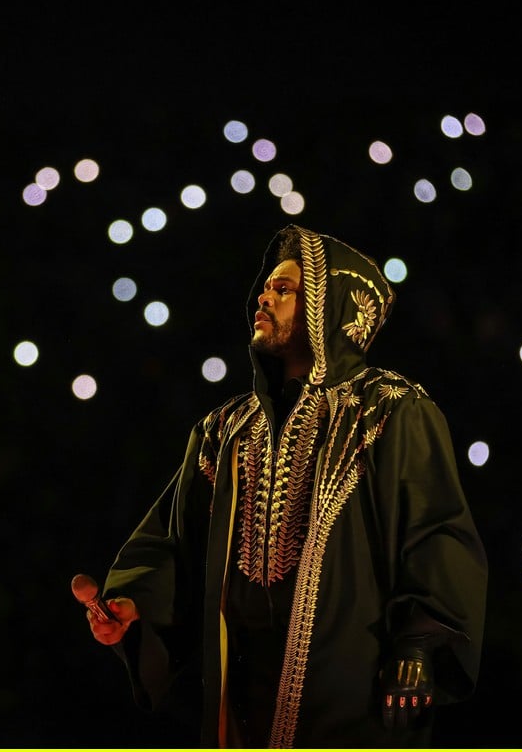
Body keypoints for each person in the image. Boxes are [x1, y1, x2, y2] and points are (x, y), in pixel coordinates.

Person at [79, 224, 488, 747]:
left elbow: (436, 532)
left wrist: (421, 643)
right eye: (266, 286)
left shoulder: (389, 409)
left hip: (350, 694)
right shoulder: (223, 430)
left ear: (329, 309)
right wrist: (133, 607)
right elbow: (173, 545)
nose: (263, 297)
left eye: (285, 288)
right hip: (241, 702)